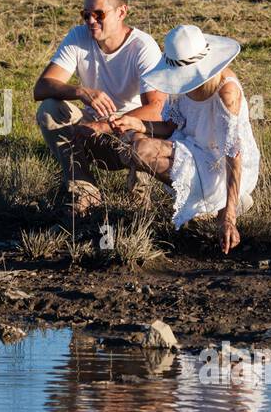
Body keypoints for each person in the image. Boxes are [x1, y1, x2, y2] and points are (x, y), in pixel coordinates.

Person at [111, 24, 260, 254]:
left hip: (218, 166)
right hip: (189, 148)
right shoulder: (180, 86)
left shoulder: (226, 92)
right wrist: (137, 124)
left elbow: (233, 153)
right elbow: (171, 126)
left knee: (141, 150)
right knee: (129, 143)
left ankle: (223, 204)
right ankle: (198, 205)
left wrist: (229, 218)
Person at [33, 0, 167, 214]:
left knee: (140, 130)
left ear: (122, 12)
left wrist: (103, 125)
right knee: (50, 109)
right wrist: (80, 91)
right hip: (90, 131)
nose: (91, 21)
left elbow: (157, 108)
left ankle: (137, 199)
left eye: (99, 14)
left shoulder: (143, 46)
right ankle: (84, 191)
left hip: (127, 133)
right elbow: (42, 88)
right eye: (86, 15)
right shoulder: (78, 36)